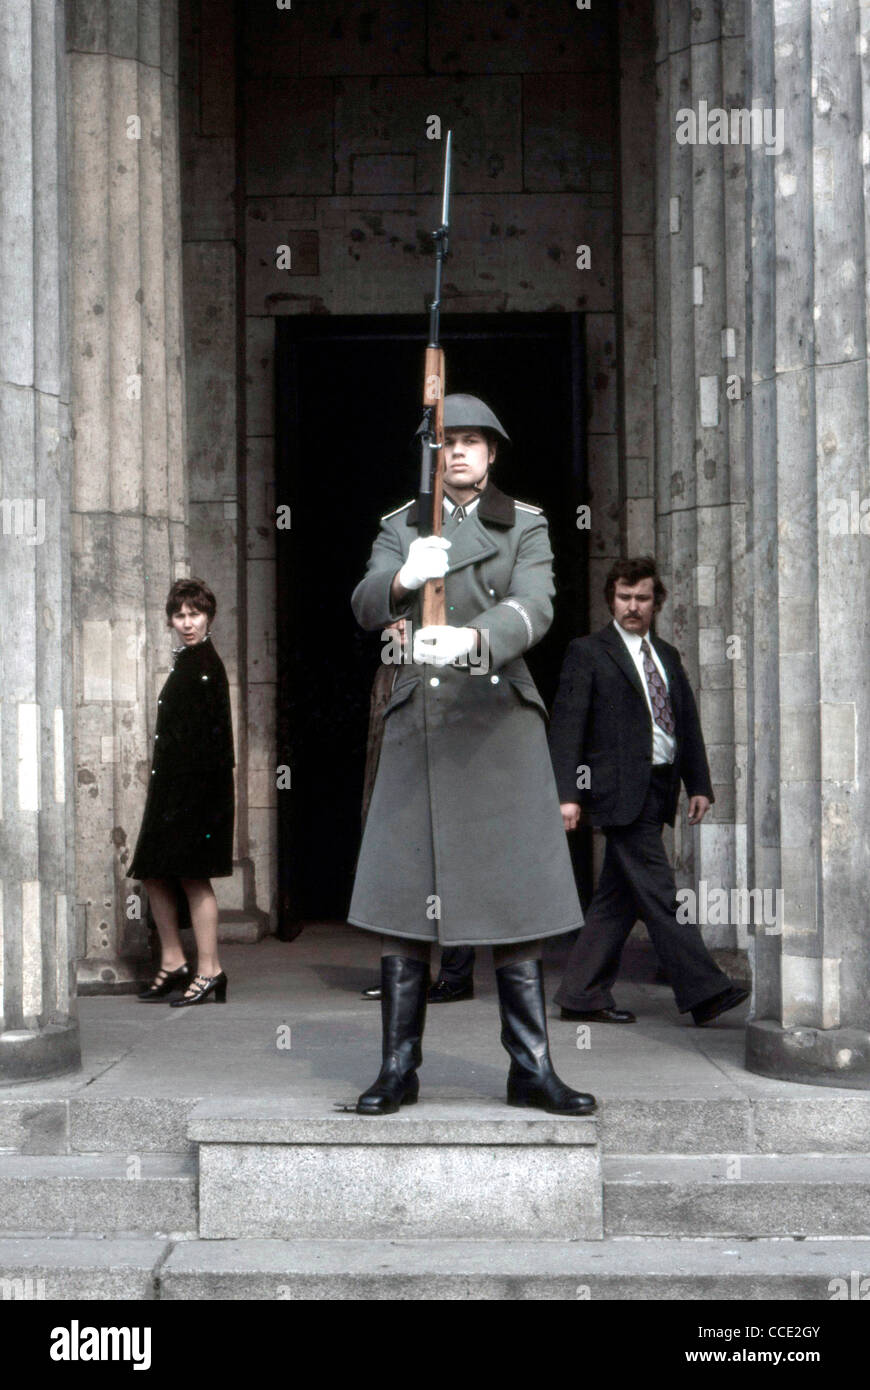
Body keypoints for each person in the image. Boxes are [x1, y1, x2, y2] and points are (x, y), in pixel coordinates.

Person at [347, 393, 595, 1116]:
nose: (457, 452)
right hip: (420, 721)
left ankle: (533, 1068)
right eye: (446, 441)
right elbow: (365, 604)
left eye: (472, 442)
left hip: (494, 725)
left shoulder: (524, 525)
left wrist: (472, 639)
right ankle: (398, 1069)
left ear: (492, 455)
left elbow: (536, 604)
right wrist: (402, 578)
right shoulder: (403, 525)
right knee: (404, 904)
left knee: (513, 904)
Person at [548, 557, 750, 1027]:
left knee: (616, 901)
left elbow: (685, 726)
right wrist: (567, 794)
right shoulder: (588, 652)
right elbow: (567, 729)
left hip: (659, 788)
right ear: (611, 600)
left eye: (641, 598)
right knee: (660, 893)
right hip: (617, 791)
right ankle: (705, 990)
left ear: (655, 602)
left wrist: (698, 784)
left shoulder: (668, 655)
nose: (632, 606)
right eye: (623, 597)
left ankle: (581, 993)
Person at [129, 578, 235, 1007]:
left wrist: (196, 805)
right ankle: (174, 960)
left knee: (193, 877)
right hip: (170, 788)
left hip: (196, 791)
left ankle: (210, 970)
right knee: (153, 872)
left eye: (195, 614)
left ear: (208, 617)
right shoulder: (187, 660)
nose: (187, 623)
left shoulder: (206, 665)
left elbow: (215, 745)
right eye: (180, 615)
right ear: (171, 619)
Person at [360, 621, 475, 1004]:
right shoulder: (386, 671)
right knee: (405, 885)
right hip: (397, 787)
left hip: (443, 786)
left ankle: (457, 976)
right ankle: (406, 976)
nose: (402, 628)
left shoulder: (446, 663)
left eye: (408, 618)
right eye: (393, 621)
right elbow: (377, 738)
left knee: (452, 882)